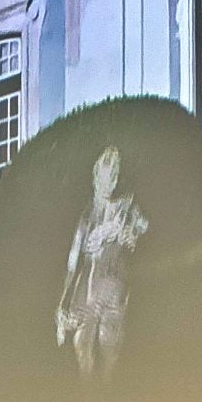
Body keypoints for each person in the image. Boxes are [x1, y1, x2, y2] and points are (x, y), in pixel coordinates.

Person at [54, 147, 150, 378]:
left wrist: (132, 235)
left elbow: (145, 229)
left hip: (113, 284)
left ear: (116, 180)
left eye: (112, 179)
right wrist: (63, 300)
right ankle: (88, 396)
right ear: (95, 178)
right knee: (81, 342)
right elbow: (72, 260)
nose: (107, 185)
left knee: (109, 341)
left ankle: (109, 388)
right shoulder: (87, 217)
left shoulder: (126, 208)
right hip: (87, 288)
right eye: (103, 179)